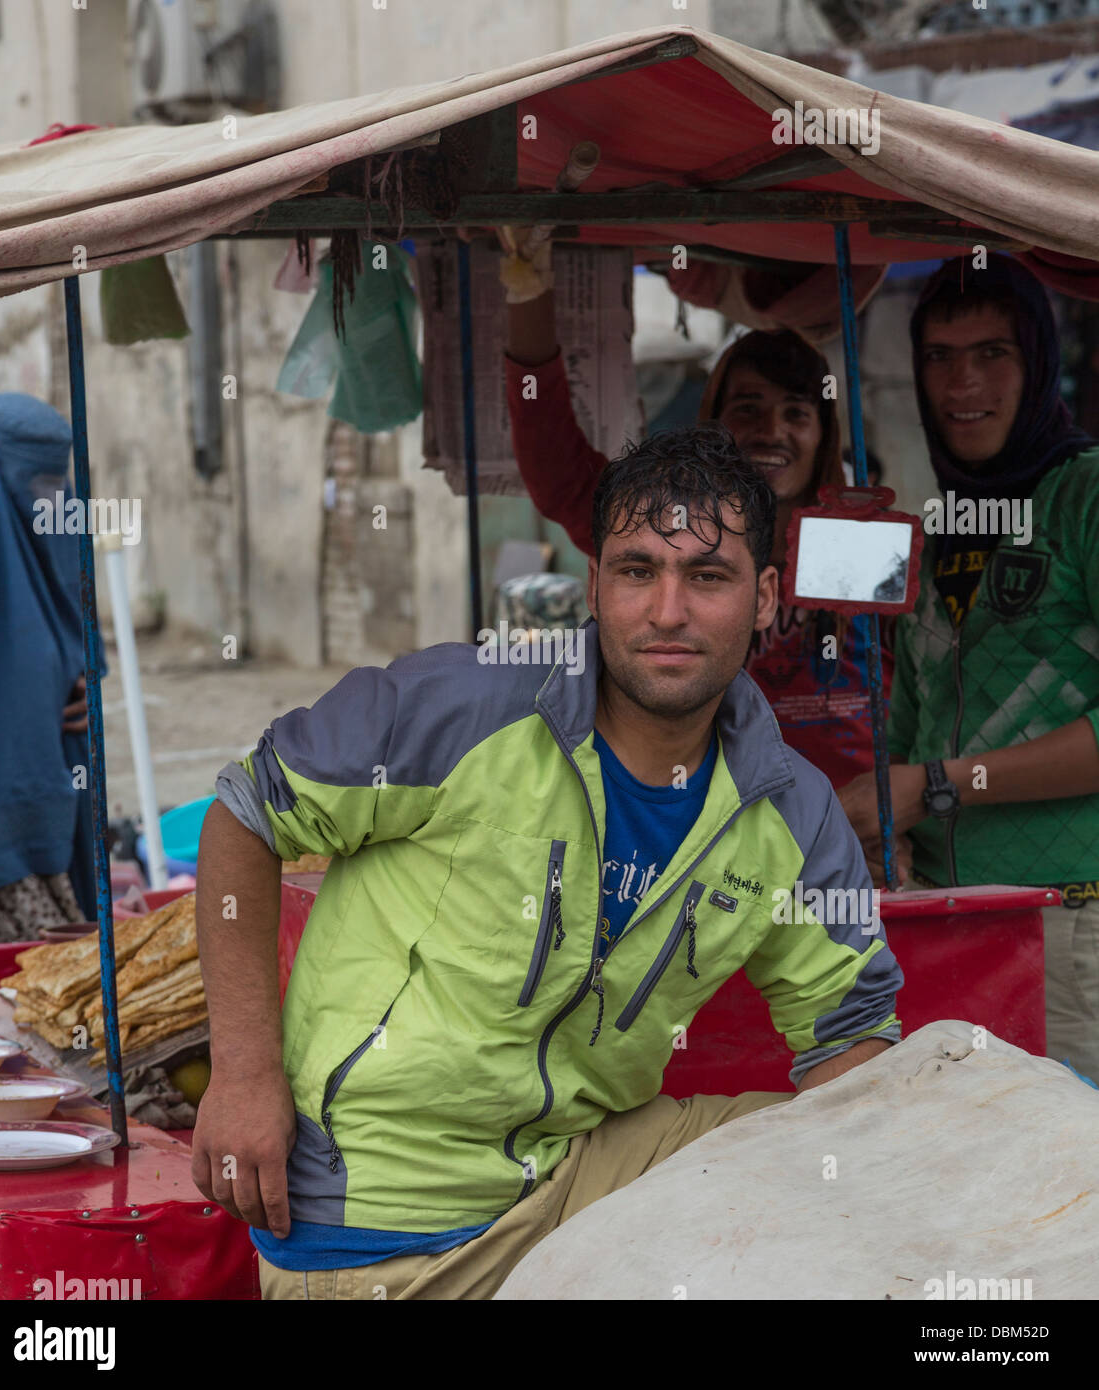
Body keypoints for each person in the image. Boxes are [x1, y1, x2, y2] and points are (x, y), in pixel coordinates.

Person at [193, 426, 903, 1301]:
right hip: (379, 1218)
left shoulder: (790, 805)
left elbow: (851, 1034)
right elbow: (245, 811)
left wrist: (852, 1187)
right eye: (638, 571)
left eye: (707, 576)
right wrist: (244, 1074)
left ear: (763, 597)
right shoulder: (462, 707)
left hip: (580, 1174)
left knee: (893, 1125)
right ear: (596, 585)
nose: (668, 611)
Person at [837, 253, 1099, 1081]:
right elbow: (907, 732)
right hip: (945, 930)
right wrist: (894, 829)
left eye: (992, 353)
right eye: (938, 357)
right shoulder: (935, 528)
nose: (962, 381)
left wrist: (940, 785)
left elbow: (927, 769)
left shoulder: (1083, 496)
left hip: (1071, 921)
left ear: (1038, 363)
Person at [504, 283, 897, 800]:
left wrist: (895, 812)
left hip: (844, 829)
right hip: (699, 830)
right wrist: (524, 282)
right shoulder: (664, 525)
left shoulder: (861, 545)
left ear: (824, 434)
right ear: (714, 420)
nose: (772, 431)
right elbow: (557, 467)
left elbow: (910, 694)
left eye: (797, 413)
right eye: (749, 408)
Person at [0, 394, 95, 940]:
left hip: (61, 838)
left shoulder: (53, 557)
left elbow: (78, 650)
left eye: (56, 485)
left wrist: (89, 690)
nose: (48, 502)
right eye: (34, 483)